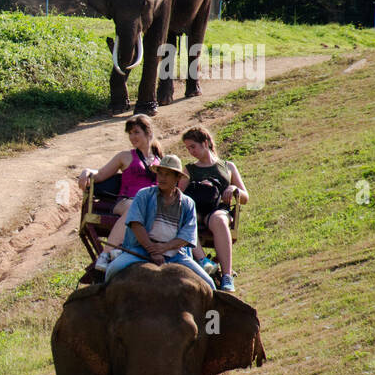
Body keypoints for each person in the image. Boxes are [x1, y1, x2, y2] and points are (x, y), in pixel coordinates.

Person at [104, 154, 215, 289]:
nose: (162, 178)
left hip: (175, 255)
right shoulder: (144, 194)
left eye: (167, 174)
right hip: (140, 250)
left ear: (178, 178)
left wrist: (165, 248)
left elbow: (187, 236)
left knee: (208, 283)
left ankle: (212, 311)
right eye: (160, 173)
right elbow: (135, 224)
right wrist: (153, 251)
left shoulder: (188, 203)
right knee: (112, 269)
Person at [77, 114, 164, 272]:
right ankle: (106, 253)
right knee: (135, 206)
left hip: (153, 206)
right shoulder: (124, 156)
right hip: (127, 202)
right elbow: (101, 175)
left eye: (136, 132)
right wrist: (87, 171)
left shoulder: (161, 160)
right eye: (130, 133)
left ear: (148, 132)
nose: (132, 137)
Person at [179, 125, 249, 293]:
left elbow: (245, 197)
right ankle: (203, 261)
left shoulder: (227, 166)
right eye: (188, 148)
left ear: (205, 143)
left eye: (193, 147)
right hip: (196, 209)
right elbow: (178, 195)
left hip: (217, 210)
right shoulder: (189, 169)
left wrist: (234, 189)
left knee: (218, 220)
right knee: (186, 217)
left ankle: (227, 275)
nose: (191, 151)